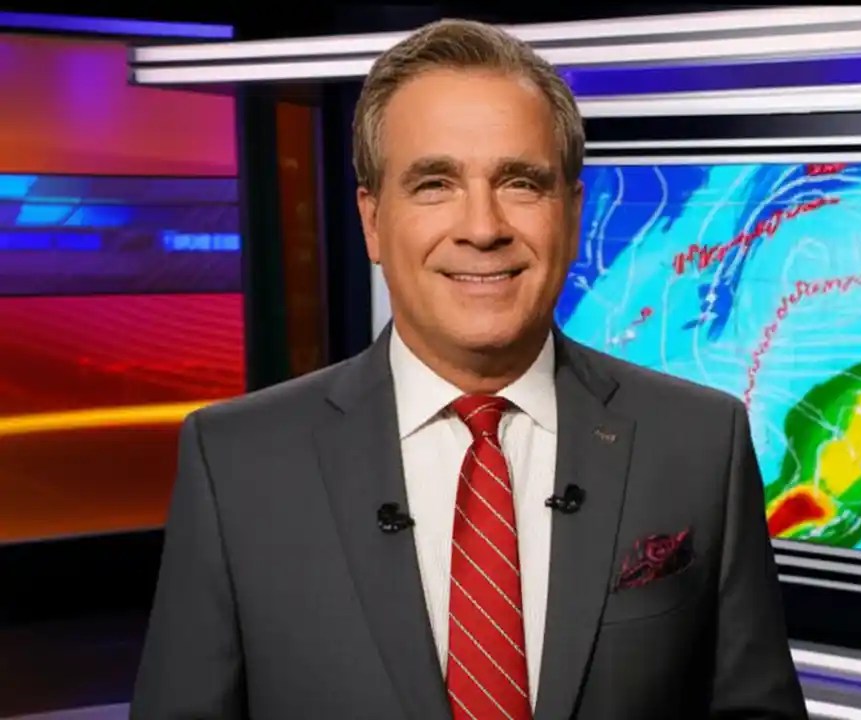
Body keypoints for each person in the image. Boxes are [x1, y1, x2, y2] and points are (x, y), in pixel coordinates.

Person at [131, 17, 807, 720]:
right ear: (371, 220)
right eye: (434, 184)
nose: (482, 227)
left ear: (572, 215)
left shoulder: (700, 441)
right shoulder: (237, 462)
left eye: (520, 182)